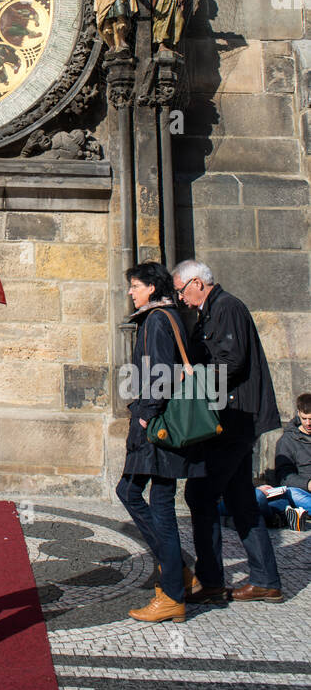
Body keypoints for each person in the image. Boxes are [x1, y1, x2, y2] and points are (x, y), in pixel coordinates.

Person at [173, 260, 282, 602]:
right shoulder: (210, 311)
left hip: (234, 418)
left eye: (181, 290)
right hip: (235, 418)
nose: (180, 298)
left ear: (197, 283)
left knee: (200, 495)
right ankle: (265, 580)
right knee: (240, 500)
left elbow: (231, 362)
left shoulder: (226, 307)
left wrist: (193, 380)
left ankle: (212, 582)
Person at [116, 262, 204, 624]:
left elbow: (159, 371)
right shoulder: (170, 317)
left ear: (152, 288)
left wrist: (144, 413)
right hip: (164, 426)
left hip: (157, 428)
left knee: (148, 500)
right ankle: (178, 574)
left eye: (136, 286)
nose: (132, 292)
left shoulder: (156, 320)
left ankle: (172, 591)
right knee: (143, 496)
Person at [256, 393, 311, 532]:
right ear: (298, 413)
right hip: (302, 491)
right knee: (291, 494)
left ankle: (285, 515)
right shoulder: (288, 441)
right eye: (304, 418)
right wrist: (308, 484)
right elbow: (284, 477)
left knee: (278, 505)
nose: (308, 423)